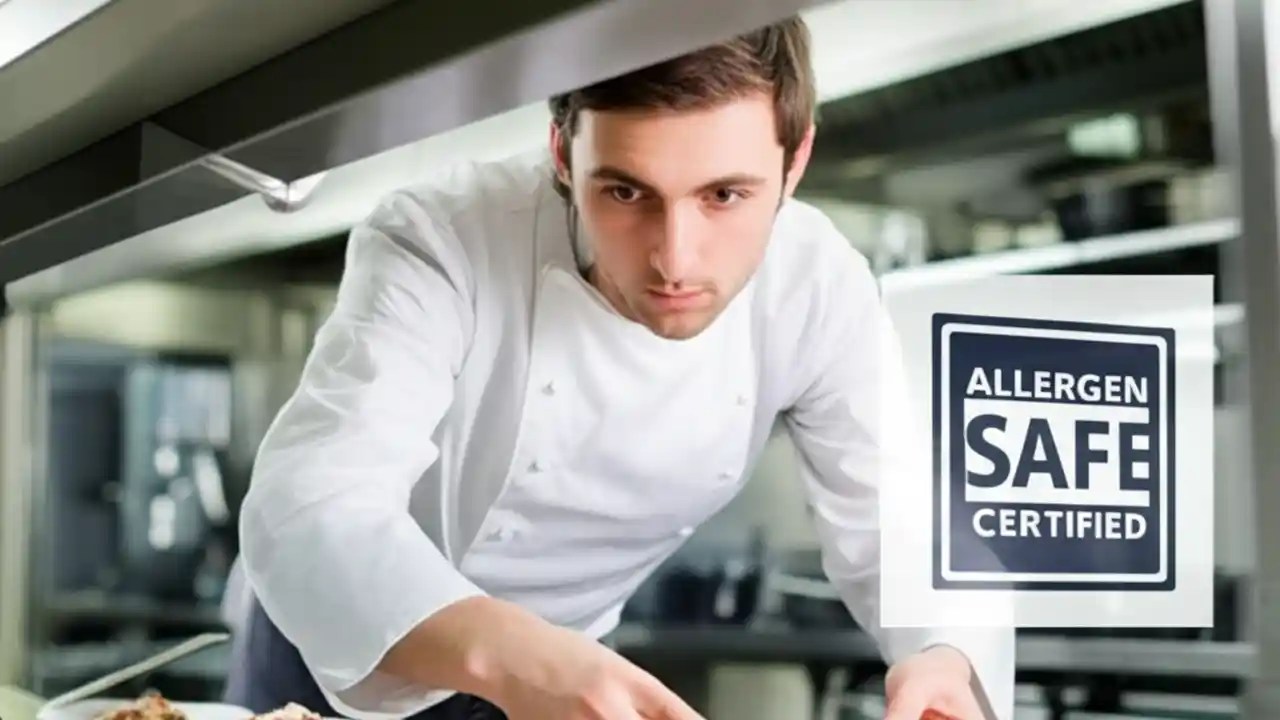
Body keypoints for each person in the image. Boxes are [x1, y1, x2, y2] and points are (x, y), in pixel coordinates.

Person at [226, 15, 1015, 720]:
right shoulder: (443, 239)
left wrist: (945, 653)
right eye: (627, 191)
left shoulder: (819, 285)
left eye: (726, 195)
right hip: (349, 648)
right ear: (562, 153)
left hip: (570, 673)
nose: (675, 259)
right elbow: (310, 508)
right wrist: (515, 655)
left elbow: (904, 519)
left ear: (796, 158)